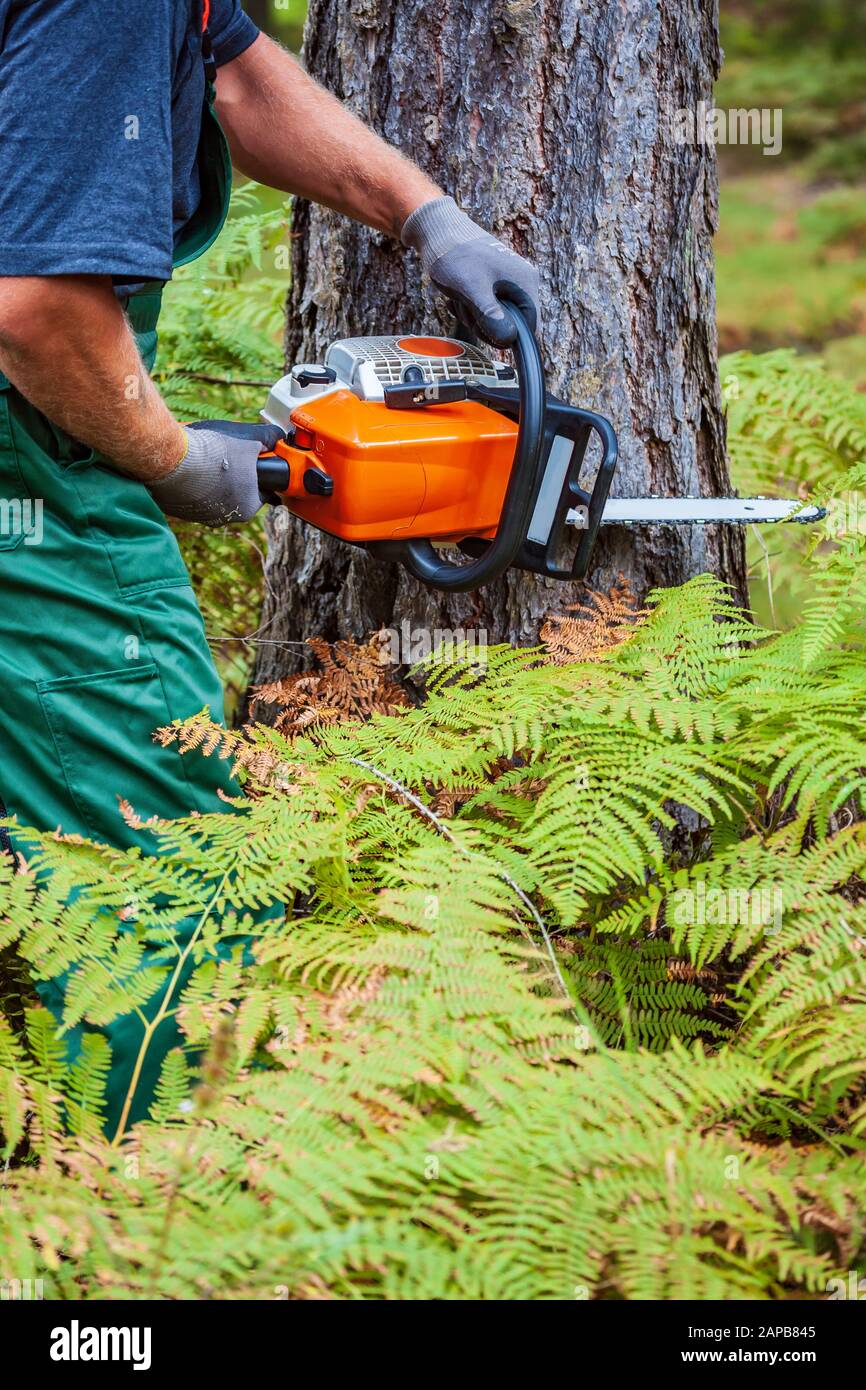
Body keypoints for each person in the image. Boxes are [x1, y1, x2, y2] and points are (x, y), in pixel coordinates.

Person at [0, 0, 540, 1130]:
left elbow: (229, 71)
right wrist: (176, 456)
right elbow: (40, 311)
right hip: (31, 463)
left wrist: (421, 213)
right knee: (161, 862)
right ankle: (169, 1217)